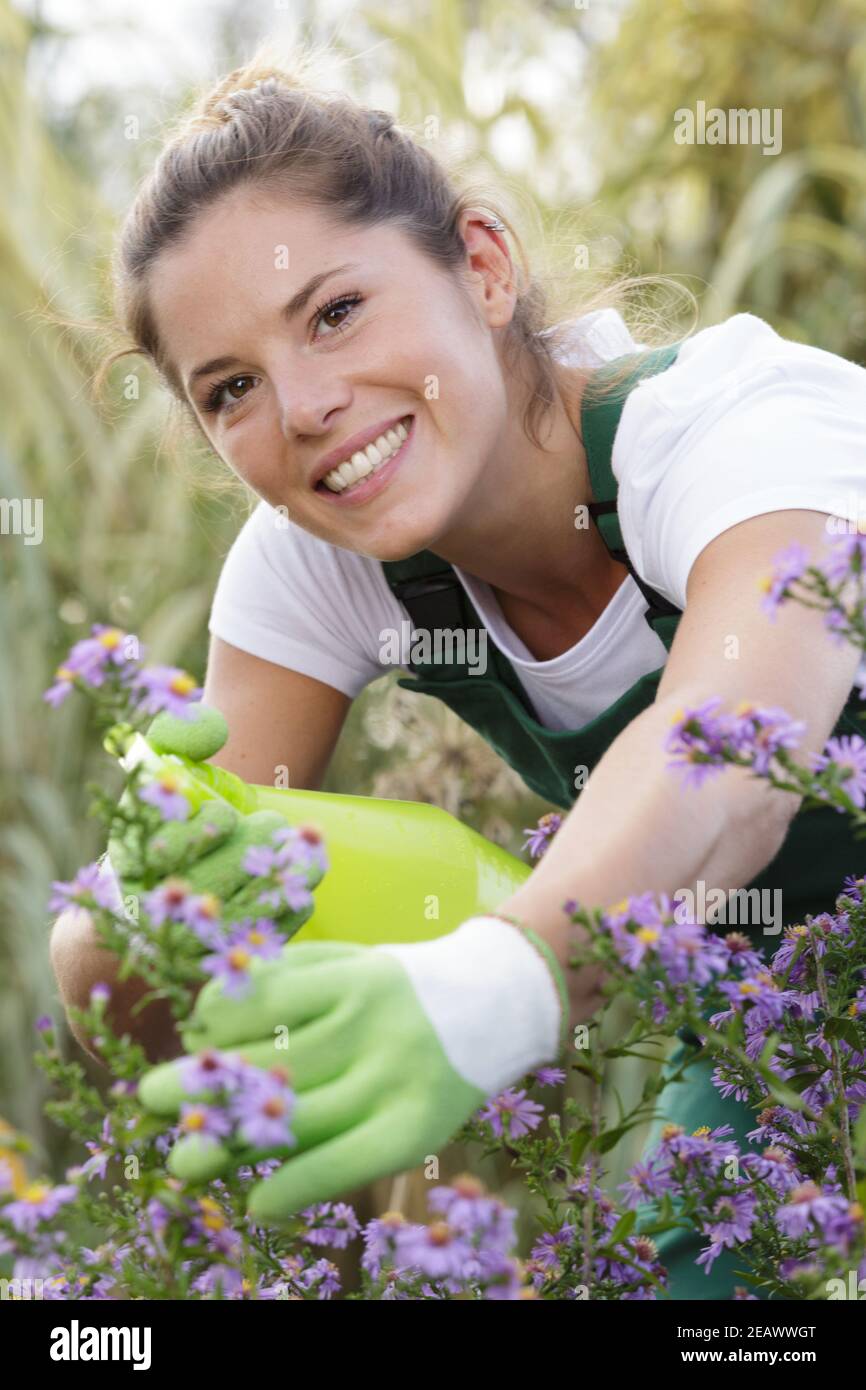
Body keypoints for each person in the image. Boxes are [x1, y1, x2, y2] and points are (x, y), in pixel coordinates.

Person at [50, 50, 866, 1300]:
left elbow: (728, 755)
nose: (307, 405)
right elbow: (135, 946)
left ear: (480, 265)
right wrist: (146, 926)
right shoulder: (312, 570)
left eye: (334, 312)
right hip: (777, 1019)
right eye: (232, 389)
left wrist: (491, 984)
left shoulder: (739, 429)